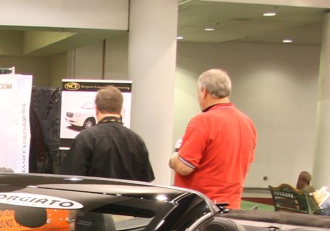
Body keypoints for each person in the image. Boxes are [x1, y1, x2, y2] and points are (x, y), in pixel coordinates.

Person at [168, 68, 257, 209]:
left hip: (201, 208)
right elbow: (247, 166)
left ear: (204, 92)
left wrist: (174, 158)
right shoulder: (247, 122)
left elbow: (184, 167)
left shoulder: (203, 121)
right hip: (232, 207)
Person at [58, 86, 153, 181]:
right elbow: (146, 182)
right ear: (121, 110)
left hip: (94, 195)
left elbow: (70, 178)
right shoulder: (137, 140)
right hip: (127, 196)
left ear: (96, 109)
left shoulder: (85, 138)